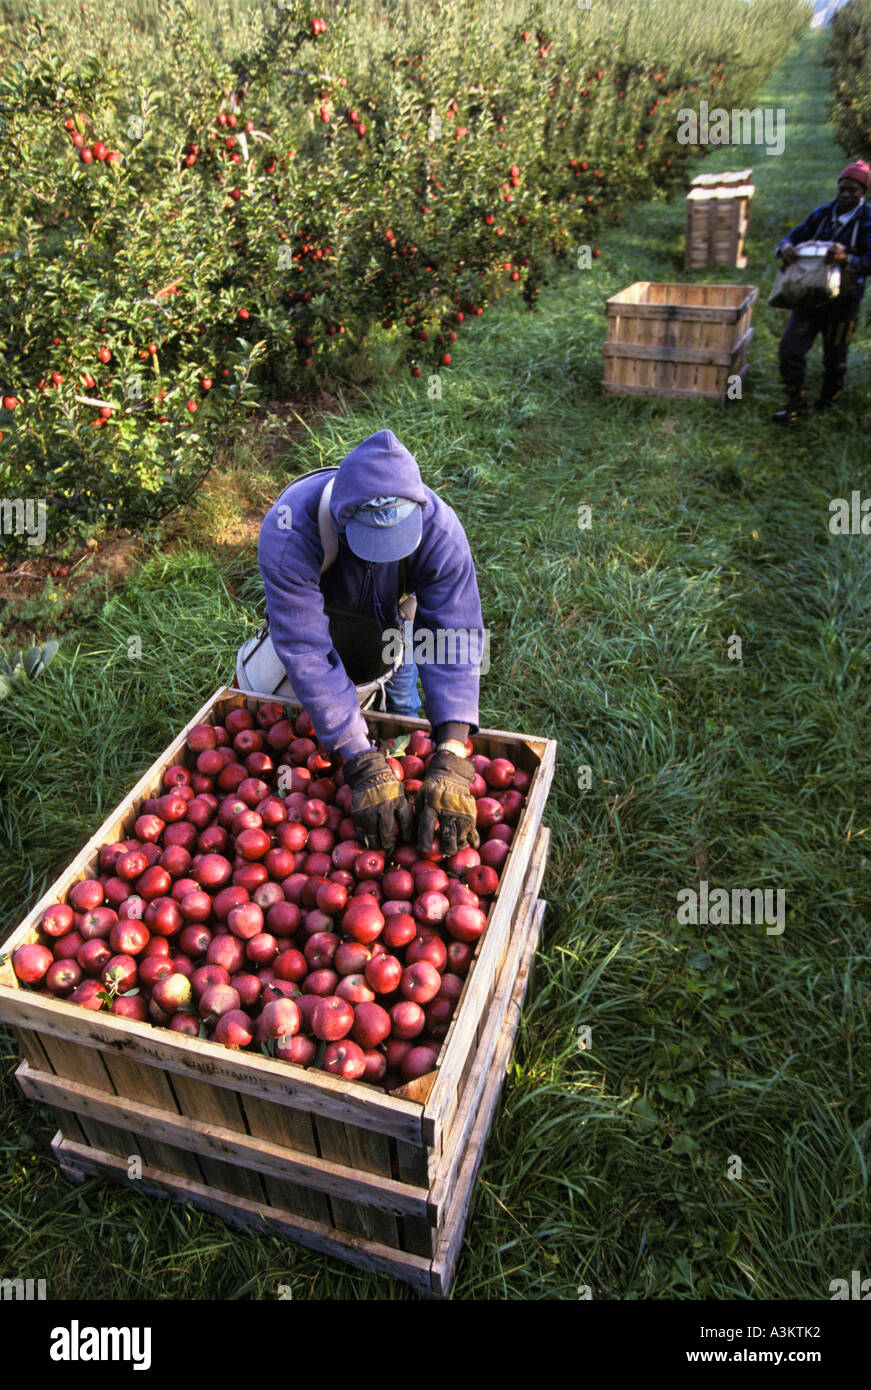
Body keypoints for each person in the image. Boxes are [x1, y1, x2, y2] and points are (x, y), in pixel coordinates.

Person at [234, 428, 485, 857]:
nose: (382, 556)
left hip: (390, 629)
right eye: (371, 545)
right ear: (342, 518)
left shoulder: (440, 530)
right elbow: (307, 649)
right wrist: (359, 758)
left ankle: (386, 711)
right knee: (282, 718)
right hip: (316, 633)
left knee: (400, 703)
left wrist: (453, 749)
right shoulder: (292, 530)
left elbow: (450, 634)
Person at [772, 159, 871, 422]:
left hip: (844, 300)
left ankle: (829, 402)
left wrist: (846, 259)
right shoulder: (822, 214)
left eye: (853, 190)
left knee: (835, 356)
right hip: (810, 293)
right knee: (790, 349)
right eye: (843, 189)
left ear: (864, 193)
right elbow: (791, 237)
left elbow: (869, 262)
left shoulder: (868, 220)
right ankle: (796, 402)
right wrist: (784, 247)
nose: (847, 195)